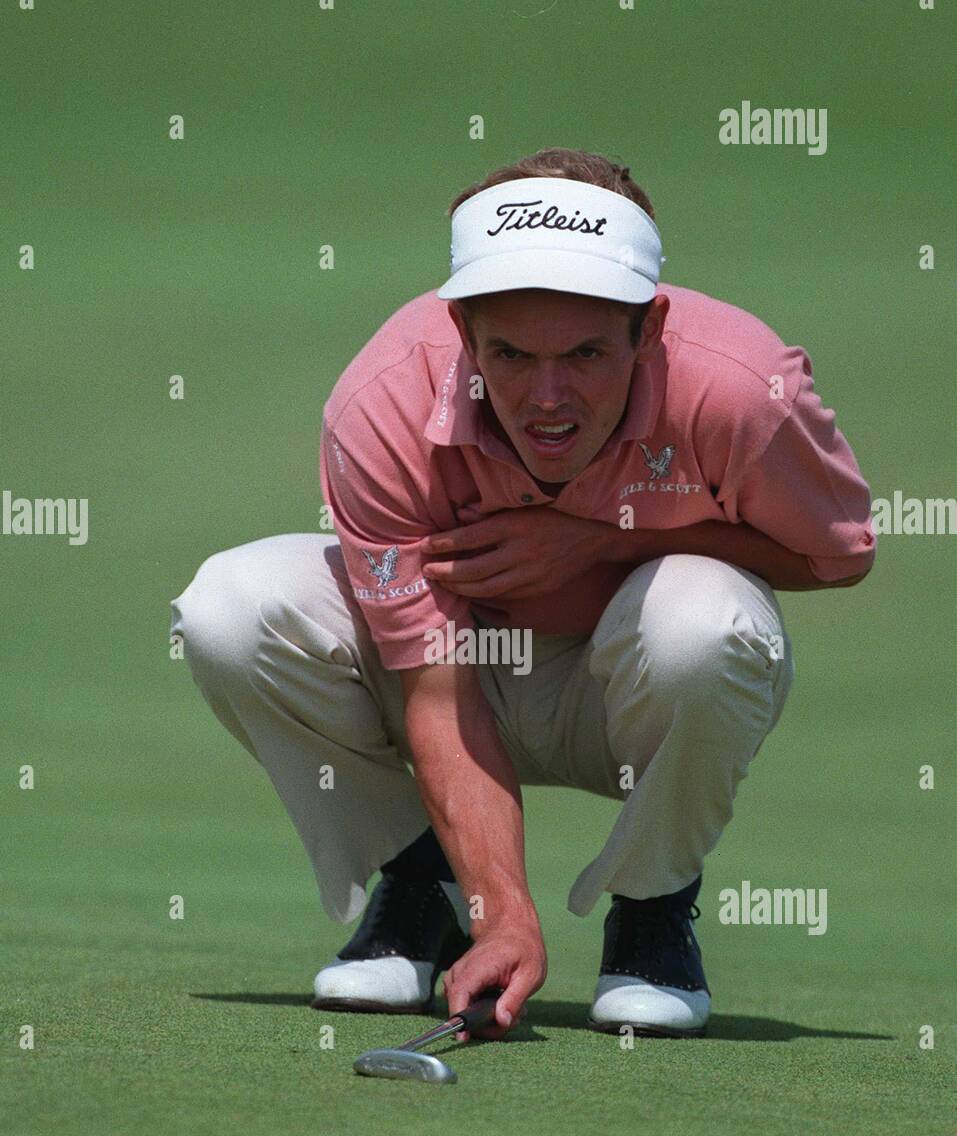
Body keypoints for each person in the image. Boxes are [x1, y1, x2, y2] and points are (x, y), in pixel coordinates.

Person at [170, 147, 875, 1040]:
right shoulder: (383, 399)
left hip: (625, 695)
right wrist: (502, 906)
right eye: (509, 354)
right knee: (231, 607)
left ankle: (650, 909)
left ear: (647, 328)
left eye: (584, 352)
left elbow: (838, 554)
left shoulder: (743, 390)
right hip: (448, 678)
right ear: (463, 330)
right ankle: (426, 891)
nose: (548, 397)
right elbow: (434, 682)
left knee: (707, 622)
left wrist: (608, 538)